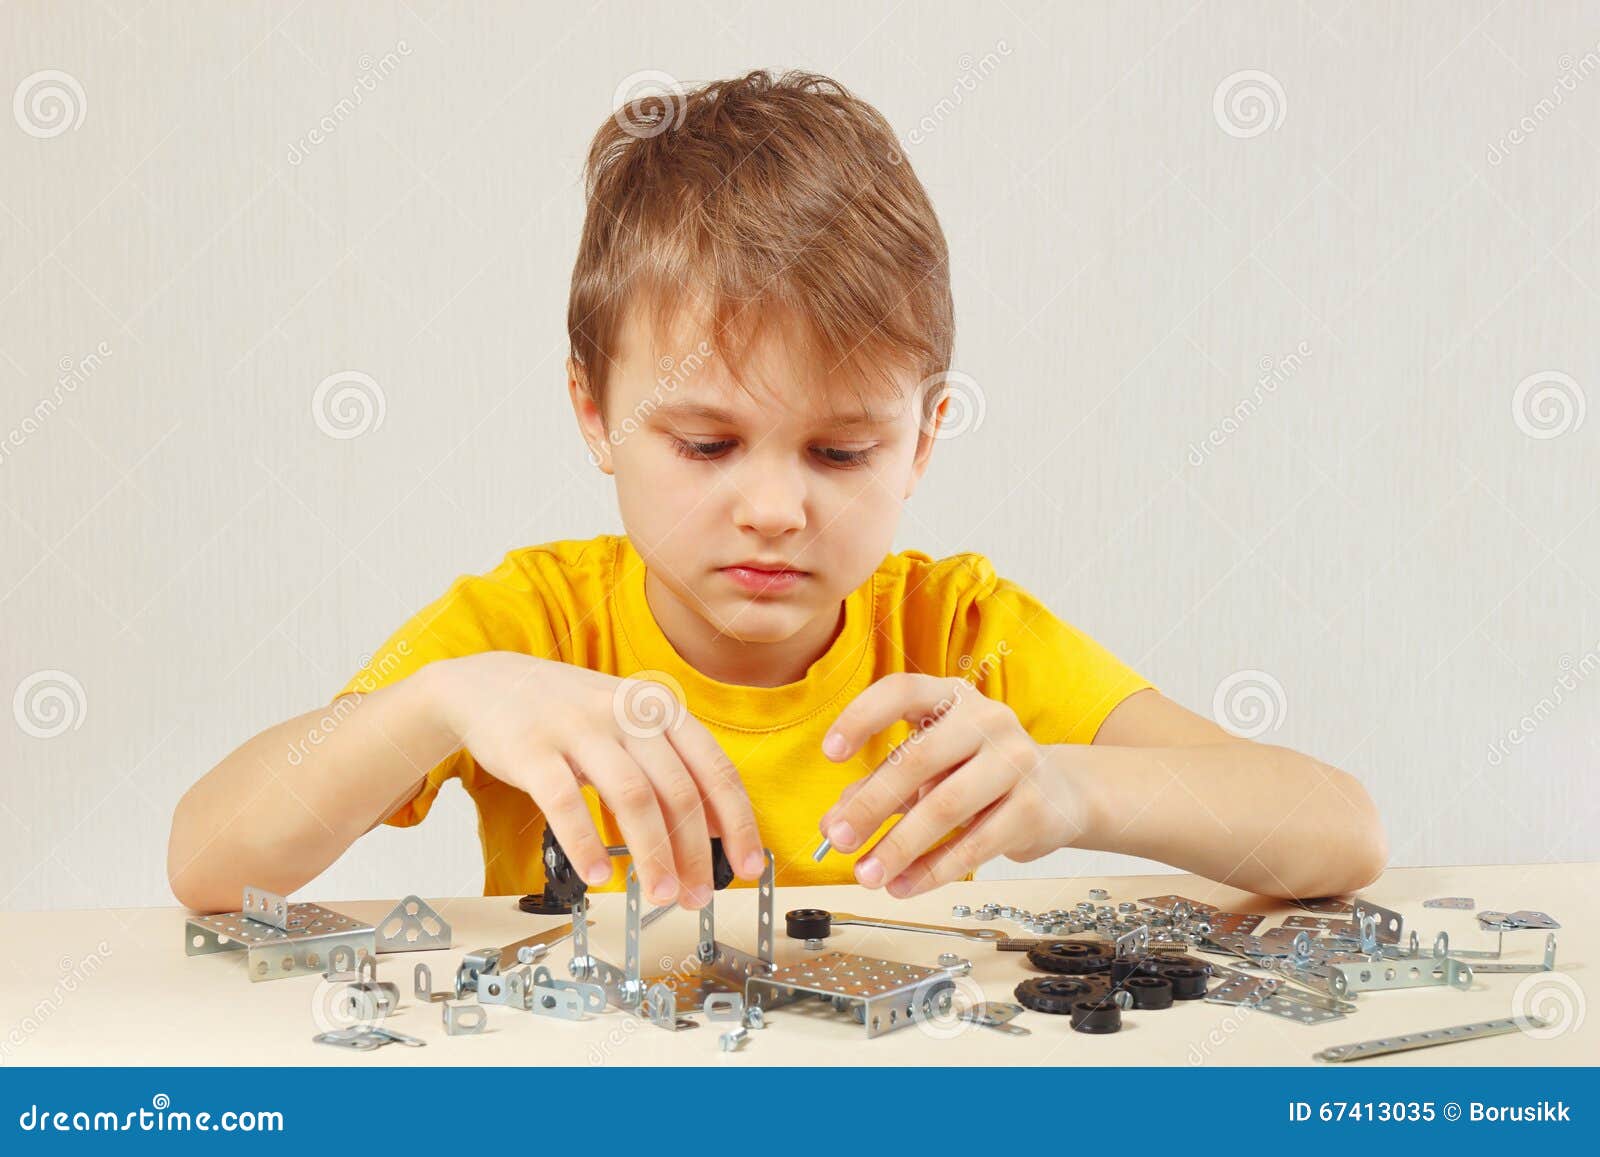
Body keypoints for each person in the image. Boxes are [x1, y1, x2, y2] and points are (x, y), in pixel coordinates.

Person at [168, 70, 1386, 915]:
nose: (771, 509)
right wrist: (435, 704)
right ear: (594, 413)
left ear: (922, 442)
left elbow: (1338, 828)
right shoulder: (526, 632)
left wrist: (1071, 790)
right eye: (704, 444)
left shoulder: (958, 636)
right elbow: (210, 859)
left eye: (841, 452)